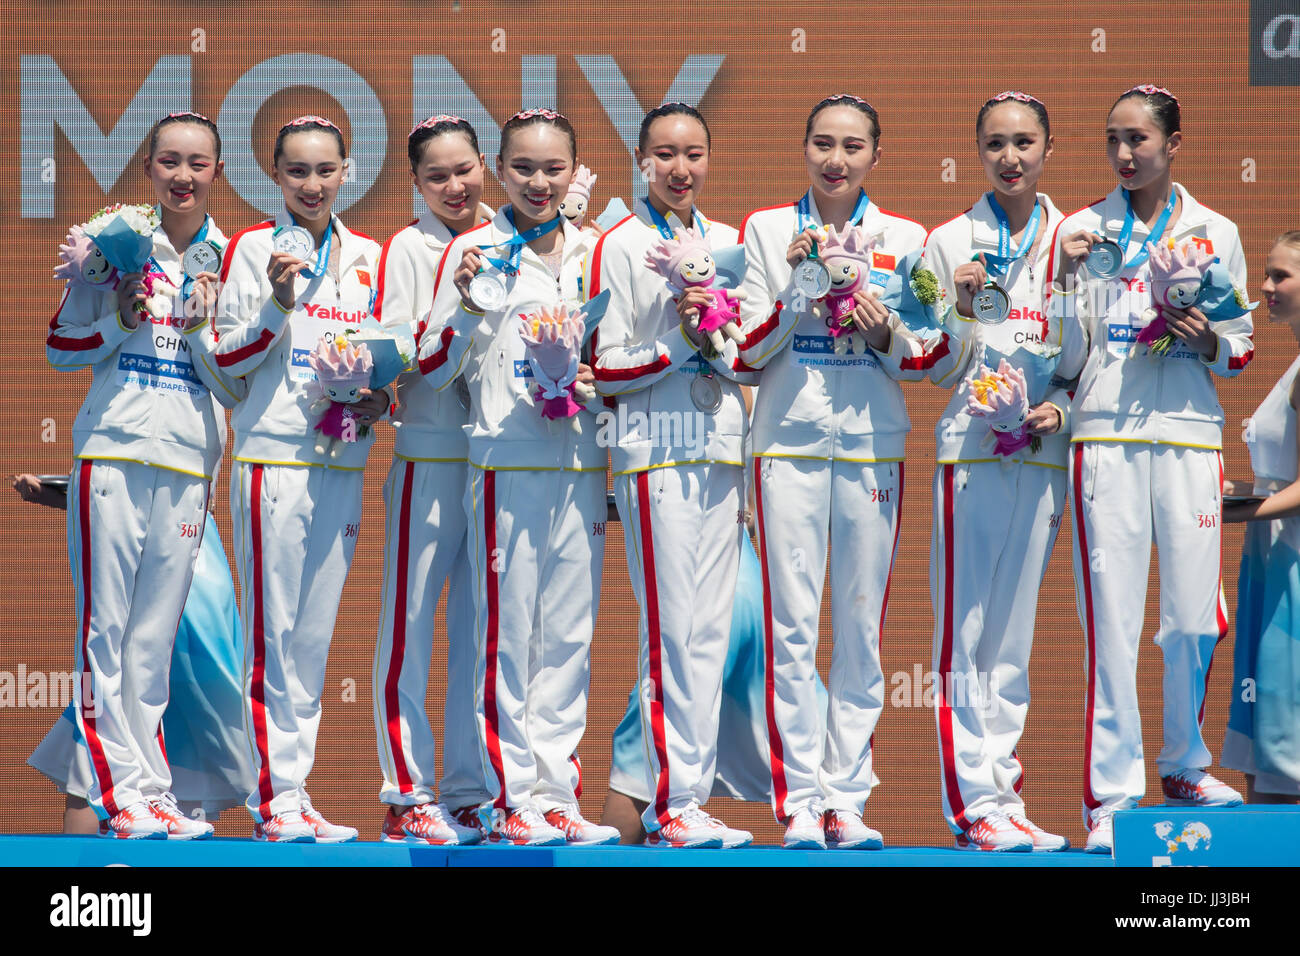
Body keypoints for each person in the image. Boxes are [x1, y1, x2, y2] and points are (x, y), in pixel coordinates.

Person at [736, 94, 946, 849]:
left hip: (870, 445)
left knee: (860, 628)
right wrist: (799, 292)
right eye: (822, 143)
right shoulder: (766, 230)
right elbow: (742, 353)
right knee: (790, 628)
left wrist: (886, 329)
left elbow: (932, 355)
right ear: (804, 149)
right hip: (786, 444)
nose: (837, 159)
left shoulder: (908, 239)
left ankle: (846, 798)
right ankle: (797, 800)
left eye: (853, 146)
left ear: (875, 157)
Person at [1047, 85, 1252, 854]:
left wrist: (1204, 340)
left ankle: (1184, 762)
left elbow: (1238, 346)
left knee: (1195, 614)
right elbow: (1066, 359)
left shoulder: (1215, 229)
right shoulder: (1080, 229)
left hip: (1191, 433)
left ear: (1173, 142)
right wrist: (1064, 286)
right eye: (1112, 141)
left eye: (1138, 139)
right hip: (1106, 436)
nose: (1125, 154)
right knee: (1113, 618)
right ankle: (1110, 794)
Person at [417, 108, 613, 846]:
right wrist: (468, 300)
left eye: (553, 168)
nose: (539, 182)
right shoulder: (474, 248)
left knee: (568, 635)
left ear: (574, 172)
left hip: (580, 464)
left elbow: (616, 350)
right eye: (523, 169)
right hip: (502, 461)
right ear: (499, 172)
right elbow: (433, 365)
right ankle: (508, 798)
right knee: (507, 636)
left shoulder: (597, 249)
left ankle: (556, 792)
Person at [44, 111, 233, 840]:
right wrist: (121, 318)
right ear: (149, 167)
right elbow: (62, 345)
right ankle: (115, 794)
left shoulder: (229, 257)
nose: (183, 176)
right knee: (105, 632)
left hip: (188, 464)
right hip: (115, 455)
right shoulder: (114, 243)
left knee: (152, 641)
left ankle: (151, 789)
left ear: (217, 172)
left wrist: (206, 332)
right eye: (169, 162)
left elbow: (235, 382)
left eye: (198, 163)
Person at [214, 115, 386, 843]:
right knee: (270, 634)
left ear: (347, 171)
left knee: (312, 638)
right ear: (276, 177)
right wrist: (279, 303)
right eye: (297, 172)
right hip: (273, 460)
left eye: (325, 171)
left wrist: (378, 398)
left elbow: (384, 357)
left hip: (342, 457)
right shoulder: (252, 249)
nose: (312, 185)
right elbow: (224, 361)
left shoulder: (370, 256)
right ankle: (270, 793)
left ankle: (295, 787)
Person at [590, 102, 757, 848]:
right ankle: (668, 799)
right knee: (670, 634)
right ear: (641, 157)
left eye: (693, 154)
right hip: (655, 449)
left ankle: (687, 799)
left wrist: (717, 340)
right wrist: (678, 347)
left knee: (709, 637)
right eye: (664, 154)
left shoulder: (730, 244)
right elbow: (602, 366)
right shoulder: (617, 244)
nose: (679, 168)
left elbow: (749, 356)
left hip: (721, 450)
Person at [922, 92, 1070, 851]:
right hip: (970, 455)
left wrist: (1060, 413)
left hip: (1041, 456)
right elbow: (931, 365)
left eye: (1024, 142)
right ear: (978, 151)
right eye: (995, 144)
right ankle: (973, 807)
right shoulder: (945, 242)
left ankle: (1005, 796)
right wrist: (960, 307)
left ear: (1048, 147)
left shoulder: (1077, 242)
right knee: (965, 637)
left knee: (1012, 640)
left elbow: (1087, 361)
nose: (1010, 157)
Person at [370, 115, 493, 846]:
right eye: (436, 176)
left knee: (485, 634)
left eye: (464, 170)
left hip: (502, 463)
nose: (454, 186)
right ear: (416, 183)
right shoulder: (409, 248)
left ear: (486, 166)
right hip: (429, 456)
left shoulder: (513, 239)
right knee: (409, 628)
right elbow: (396, 354)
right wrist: (460, 315)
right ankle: (405, 792)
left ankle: (473, 791)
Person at [19, 474, 256, 832]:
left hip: (191, 552)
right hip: (152, 548)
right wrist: (70, 493)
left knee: (196, 723)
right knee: (102, 725)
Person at [1221, 231, 1300, 805]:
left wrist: (1244, 511)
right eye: (1267, 274)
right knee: (1266, 766)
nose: (1266, 287)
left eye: (1281, 277)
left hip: (1290, 567)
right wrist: (1241, 498)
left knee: (1286, 745)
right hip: (1271, 562)